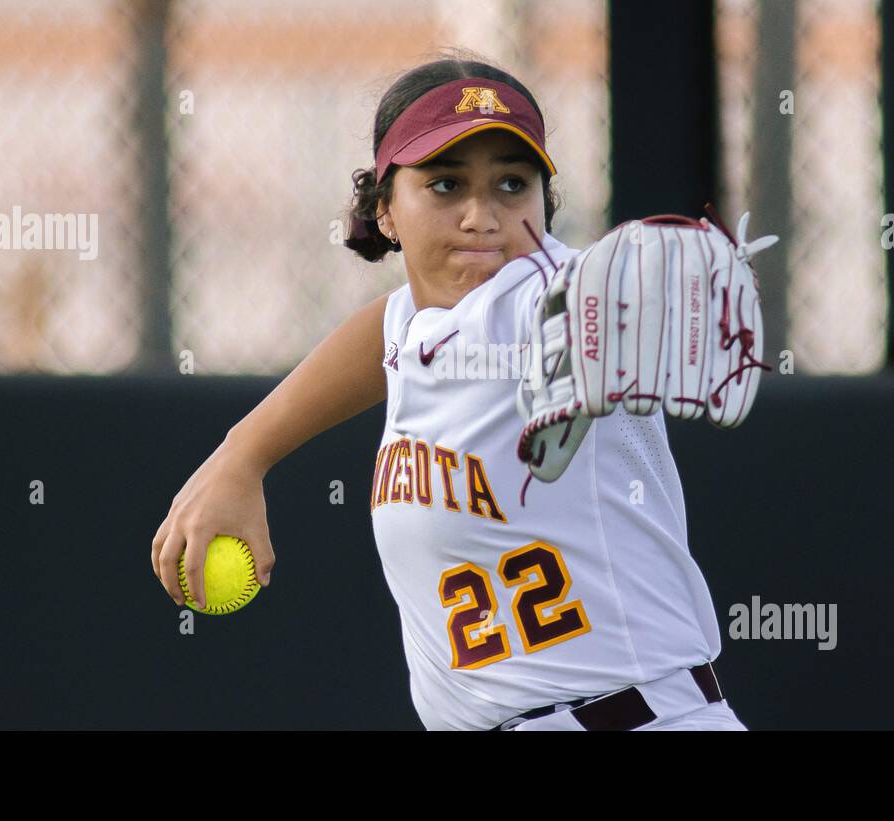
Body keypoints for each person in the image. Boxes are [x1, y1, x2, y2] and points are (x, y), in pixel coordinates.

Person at [152, 53, 749, 732]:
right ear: (385, 211)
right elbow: (386, 333)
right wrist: (242, 454)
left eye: (511, 184)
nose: (481, 216)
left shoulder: (545, 302)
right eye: (444, 185)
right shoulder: (411, 325)